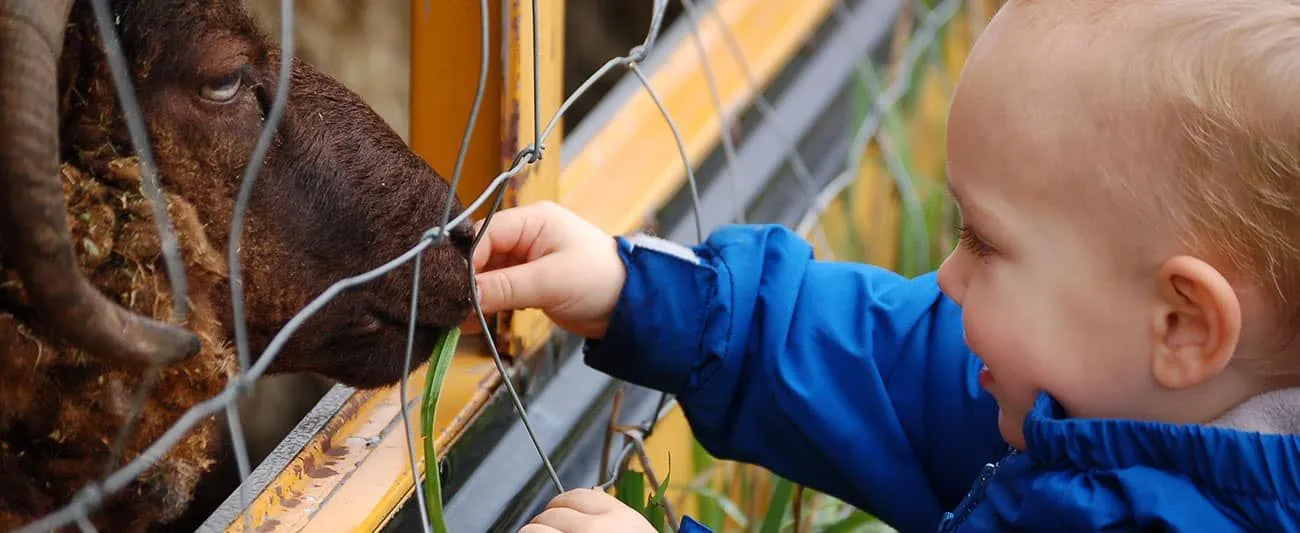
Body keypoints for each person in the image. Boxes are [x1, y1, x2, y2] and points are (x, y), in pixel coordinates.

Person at [473, 0, 1300, 531]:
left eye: (982, 240)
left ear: (1185, 323)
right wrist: (645, 292)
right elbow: (893, 360)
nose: (948, 275)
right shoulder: (1119, 387)